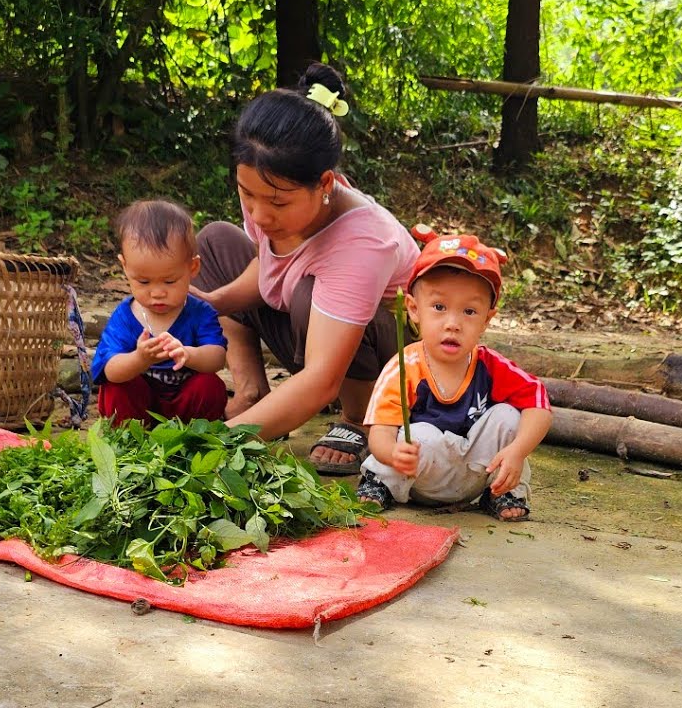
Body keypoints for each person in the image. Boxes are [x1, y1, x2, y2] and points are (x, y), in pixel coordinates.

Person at [192, 62, 420, 474]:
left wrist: (213, 445)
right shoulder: (270, 205)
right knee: (215, 242)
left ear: (326, 184)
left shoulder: (364, 242)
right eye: (248, 194)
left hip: (394, 362)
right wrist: (214, 300)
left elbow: (320, 379)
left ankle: (358, 419)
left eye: (278, 202)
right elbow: (269, 266)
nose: (260, 215)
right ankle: (251, 394)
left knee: (309, 293)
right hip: (313, 332)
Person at [355, 231, 552, 521]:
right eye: (439, 307)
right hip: (417, 475)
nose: (453, 324)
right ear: (413, 309)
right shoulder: (404, 367)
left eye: (469, 311)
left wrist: (517, 452)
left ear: (487, 319)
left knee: (508, 416)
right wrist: (392, 455)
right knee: (421, 435)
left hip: (473, 475)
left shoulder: (491, 365)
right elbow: (380, 432)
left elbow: (539, 404)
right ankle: (380, 482)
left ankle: (503, 491)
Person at [91, 199, 228, 425]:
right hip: (138, 410)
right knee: (117, 388)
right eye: (143, 282)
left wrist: (188, 354)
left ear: (192, 268)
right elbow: (110, 370)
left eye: (170, 281)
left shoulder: (198, 312)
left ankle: (194, 437)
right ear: (125, 266)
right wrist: (139, 359)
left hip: (183, 409)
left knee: (209, 385)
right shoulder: (125, 317)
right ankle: (130, 440)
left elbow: (217, 357)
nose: (157, 293)